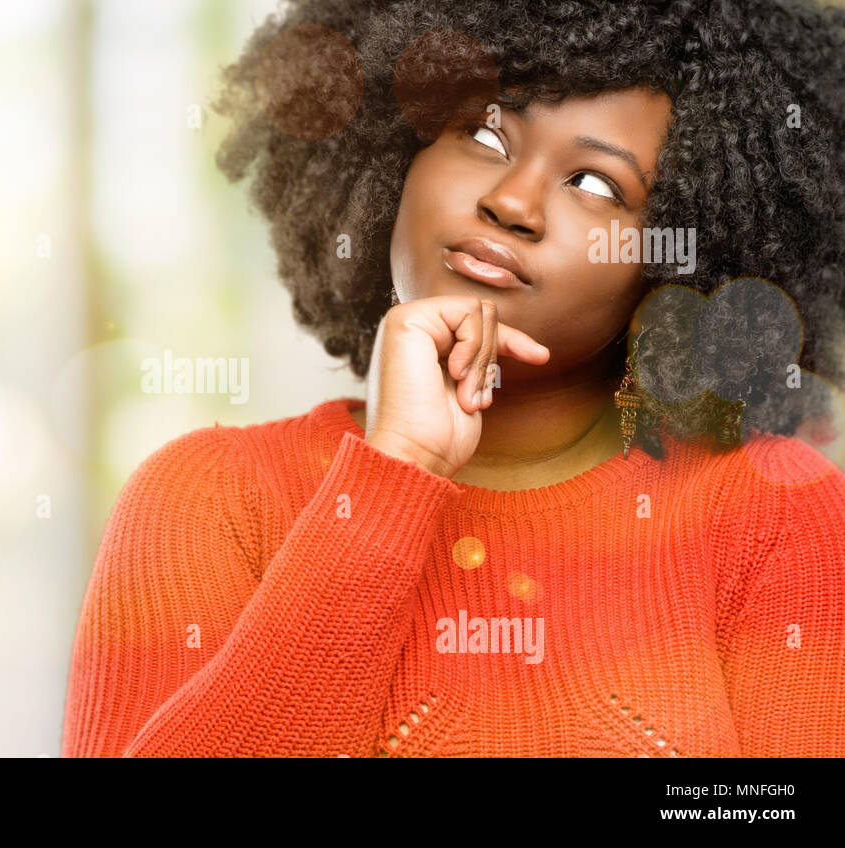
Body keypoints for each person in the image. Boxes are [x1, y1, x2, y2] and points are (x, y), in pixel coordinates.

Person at [60, 0, 845, 757]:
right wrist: (390, 479)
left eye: (597, 186)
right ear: (390, 158)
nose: (510, 202)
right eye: (482, 134)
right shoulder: (209, 498)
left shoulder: (775, 517)